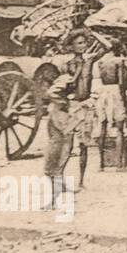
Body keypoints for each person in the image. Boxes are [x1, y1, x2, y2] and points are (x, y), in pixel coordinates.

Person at [42, 77, 80, 209]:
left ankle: (53, 201)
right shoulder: (60, 107)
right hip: (59, 142)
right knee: (54, 171)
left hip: (59, 144)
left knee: (54, 171)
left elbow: (49, 93)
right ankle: (55, 197)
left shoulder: (60, 109)